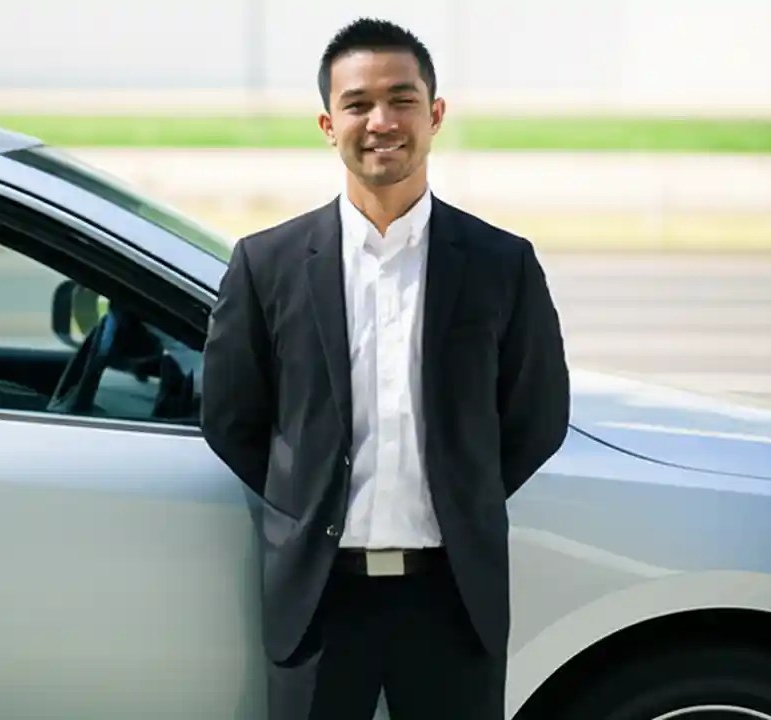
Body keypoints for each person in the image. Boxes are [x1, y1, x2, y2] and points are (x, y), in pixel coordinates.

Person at [200, 17, 570, 720]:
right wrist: (306, 500)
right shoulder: (266, 264)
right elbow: (230, 417)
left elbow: (537, 416)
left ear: (434, 114)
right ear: (326, 122)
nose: (381, 121)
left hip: (453, 598)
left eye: (402, 100)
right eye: (358, 103)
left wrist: (464, 493)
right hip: (319, 600)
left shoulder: (502, 263)